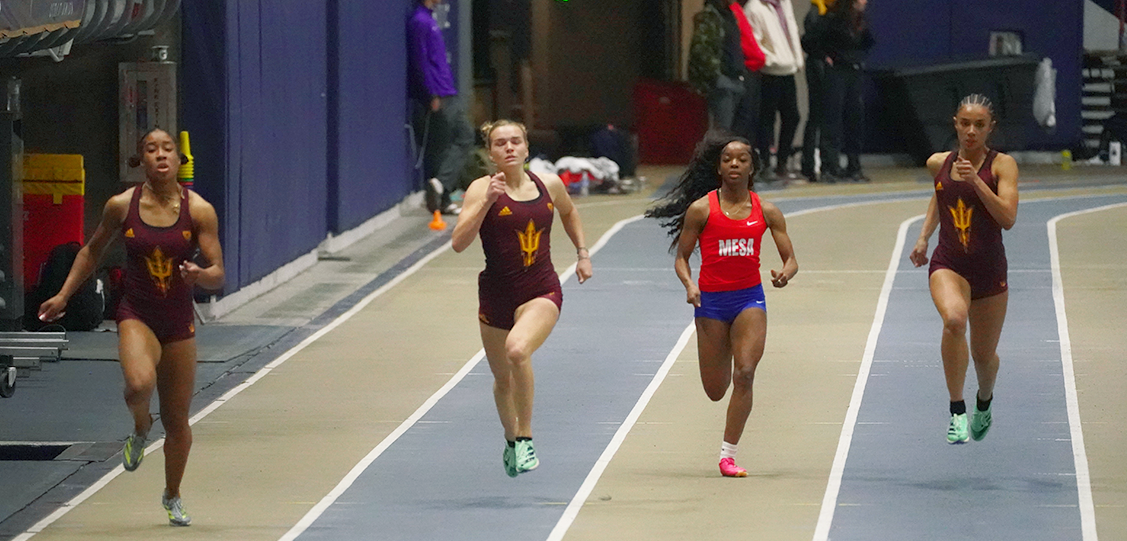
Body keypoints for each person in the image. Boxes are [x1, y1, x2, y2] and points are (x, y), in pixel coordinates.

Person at [39, 129, 225, 525]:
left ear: (179, 160)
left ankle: (172, 494)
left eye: (167, 149)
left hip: (178, 322)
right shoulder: (121, 206)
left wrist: (199, 274)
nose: (160, 155)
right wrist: (63, 296)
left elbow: (218, 274)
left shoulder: (201, 210)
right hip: (137, 313)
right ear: (141, 160)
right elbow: (91, 252)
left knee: (177, 421)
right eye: (151, 149)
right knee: (139, 385)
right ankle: (141, 427)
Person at [646, 131, 798, 476]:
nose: (734, 164)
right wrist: (689, 285)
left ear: (752, 168)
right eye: (727, 159)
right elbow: (681, 258)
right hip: (711, 303)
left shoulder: (767, 211)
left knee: (744, 373)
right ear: (718, 167)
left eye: (741, 159)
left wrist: (785, 273)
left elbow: (791, 259)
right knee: (716, 390)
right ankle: (723, 348)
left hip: (749, 300)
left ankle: (728, 455)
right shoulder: (701, 210)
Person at [451, 119, 593, 477]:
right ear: (492, 154)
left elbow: (569, 211)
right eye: (501, 143)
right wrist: (487, 201)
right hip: (496, 294)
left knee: (517, 349)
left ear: (527, 148)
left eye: (516, 141)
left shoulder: (549, 185)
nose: (509, 148)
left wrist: (582, 253)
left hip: (540, 289)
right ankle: (511, 437)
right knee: (502, 380)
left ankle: (526, 437)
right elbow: (458, 243)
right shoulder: (479, 189)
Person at [908, 94, 1019, 444]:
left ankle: (983, 400)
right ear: (955, 123)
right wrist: (924, 237)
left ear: (991, 128)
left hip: (989, 269)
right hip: (949, 262)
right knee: (954, 320)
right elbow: (940, 196)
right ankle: (957, 410)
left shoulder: (1002, 166)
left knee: (983, 357)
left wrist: (976, 183)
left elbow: (1008, 218)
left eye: (980, 125)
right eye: (965, 123)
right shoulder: (937, 162)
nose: (971, 131)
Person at [408, 0, 474, 215]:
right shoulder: (420, 21)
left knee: (452, 141)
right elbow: (421, 60)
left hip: (446, 90)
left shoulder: (428, 19)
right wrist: (431, 93)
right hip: (438, 93)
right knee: (458, 138)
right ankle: (441, 189)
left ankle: (441, 191)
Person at [745, 0, 804, 180]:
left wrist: (796, 58)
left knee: (793, 116)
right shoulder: (753, 7)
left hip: (788, 69)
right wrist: (770, 60)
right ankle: (764, 164)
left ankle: (782, 163)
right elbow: (753, 40)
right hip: (768, 71)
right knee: (766, 119)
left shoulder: (783, 3)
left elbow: (791, 30)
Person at [820, 0, 874, 183]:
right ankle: (830, 166)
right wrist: (825, 57)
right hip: (837, 73)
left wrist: (859, 57)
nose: (865, 2)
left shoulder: (860, 20)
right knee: (832, 120)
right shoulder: (833, 18)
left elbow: (868, 41)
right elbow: (811, 40)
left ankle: (854, 165)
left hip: (854, 72)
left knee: (855, 120)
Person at [799, 0, 836, 182]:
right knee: (817, 117)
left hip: (821, 67)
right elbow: (809, 41)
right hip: (818, 69)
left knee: (822, 117)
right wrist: (824, 56)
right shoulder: (816, 13)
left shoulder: (828, 12)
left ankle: (824, 163)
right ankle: (810, 165)